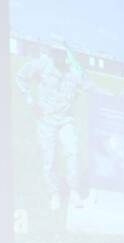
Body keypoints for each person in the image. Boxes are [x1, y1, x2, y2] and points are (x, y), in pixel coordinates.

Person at [16, 40, 86, 211]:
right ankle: (54, 193)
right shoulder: (42, 65)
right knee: (50, 158)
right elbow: (21, 77)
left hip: (66, 120)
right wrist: (30, 99)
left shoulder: (72, 71)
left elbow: (86, 86)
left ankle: (74, 191)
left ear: (65, 54)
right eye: (55, 52)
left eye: (62, 52)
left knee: (72, 153)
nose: (59, 55)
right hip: (46, 120)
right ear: (51, 52)